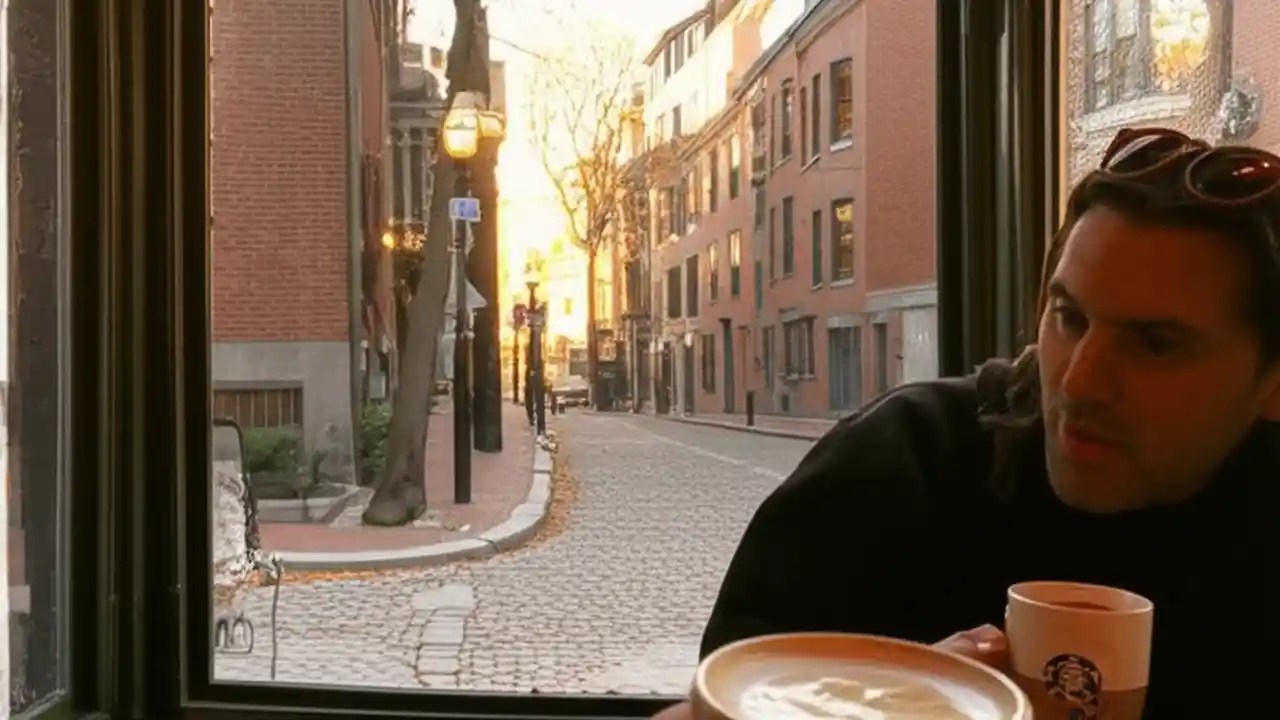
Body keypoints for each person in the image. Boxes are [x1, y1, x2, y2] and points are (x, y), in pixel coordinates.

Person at [655, 127, 1280, 719]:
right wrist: (886, 700)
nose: (1080, 382)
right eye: (1069, 316)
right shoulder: (899, 469)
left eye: (1156, 345)